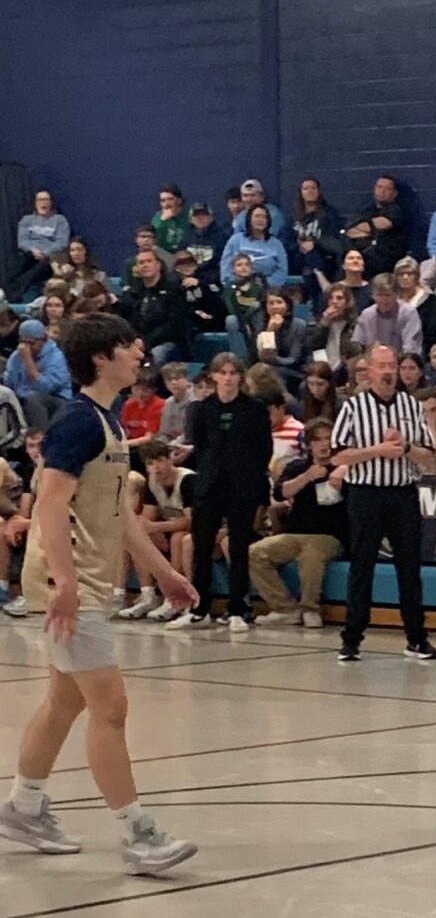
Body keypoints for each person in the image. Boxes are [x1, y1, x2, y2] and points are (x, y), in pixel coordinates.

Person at [0, 313, 200, 873]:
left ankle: (23, 806)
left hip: (83, 580)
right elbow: (49, 503)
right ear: (100, 359)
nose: (139, 351)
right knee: (110, 706)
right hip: (70, 584)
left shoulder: (108, 425)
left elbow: (119, 518)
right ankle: (138, 833)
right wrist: (64, 583)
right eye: (125, 346)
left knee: (65, 701)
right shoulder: (77, 424)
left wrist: (164, 573)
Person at [330, 343, 436, 662]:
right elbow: (337, 454)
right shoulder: (353, 407)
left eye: (392, 364)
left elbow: (430, 457)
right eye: (382, 365)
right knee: (362, 566)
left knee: (409, 567)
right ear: (370, 370)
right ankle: (351, 639)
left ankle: (417, 638)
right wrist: (377, 451)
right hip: (366, 494)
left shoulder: (411, 405)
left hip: (403, 494)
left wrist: (405, 447)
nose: (389, 371)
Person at [167, 352, 271, 632]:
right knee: (201, 546)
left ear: (240, 377)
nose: (227, 378)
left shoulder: (254, 409)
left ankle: (238, 608)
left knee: (238, 546)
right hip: (210, 485)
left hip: (241, 486)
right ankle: (199, 608)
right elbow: (199, 448)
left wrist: (248, 476)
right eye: (222, 373)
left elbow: (264, 449)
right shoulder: (200, 409)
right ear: (213, 376)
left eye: (233, 373)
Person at [250, 417, 349, 629]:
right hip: (296, 532)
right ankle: (284, 607)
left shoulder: (345, 467)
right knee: (255, 553)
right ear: (309, 444)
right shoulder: (297, 467)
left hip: (330, 535)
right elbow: (279, 493)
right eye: (318, 439)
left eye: (328, 438)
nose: (324, 444)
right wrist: (307, 477)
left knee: (311, 553)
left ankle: (310, 608)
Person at [116, 440, 195, 621]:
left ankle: (175, 598)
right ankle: (147, 595)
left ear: (170, 460)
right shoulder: (153, 482)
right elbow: (147, 517)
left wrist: (157, 527)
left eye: (160, 461)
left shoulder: (188, 480)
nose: (156, 467)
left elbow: (192, 521)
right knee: (135, 537)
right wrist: (153, 530)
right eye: (150, 464)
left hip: (197, 530)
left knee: (178, 538)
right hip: (171, 526)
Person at [5, 319, 72, 429]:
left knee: (34, 398)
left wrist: (28, 361)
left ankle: (40, 439)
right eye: (23, 342)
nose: (26, 347)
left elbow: (47, 387)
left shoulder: (56, 357)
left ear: (44, 339)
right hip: (22, 397)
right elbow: (10, 383)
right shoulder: (17, 355)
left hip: (55, 400)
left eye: (31, 343)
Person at [341, 174, 408, 276]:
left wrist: (366, 228)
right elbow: (349, 231)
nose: (382, 191)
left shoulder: (396, 210)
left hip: (386, 262)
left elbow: (383, 224)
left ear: (394, 193)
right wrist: (370, 228)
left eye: (387, 188)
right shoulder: (367, 210)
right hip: (364, 259)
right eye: (379, 187)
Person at [12, 189, 71, 302]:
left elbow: (61, 242)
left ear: (51, 203)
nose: (43, 202)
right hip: (30, 255)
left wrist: (45, 252)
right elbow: (22, 241)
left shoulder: (60, 220)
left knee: (41, 267)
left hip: (51, 257)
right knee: (22, 260)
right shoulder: (26, 220)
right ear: (35, 203)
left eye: (46, 199)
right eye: (40, 199)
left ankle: (16, 293)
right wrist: (34, 250)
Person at [353, 273, 423, 356]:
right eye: (379, 295)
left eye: (387, 295)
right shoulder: (366, 315)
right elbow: (357, 345)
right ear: (373, 295)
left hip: (400, 364)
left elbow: (411, 349)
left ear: (397, 294)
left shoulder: (408, 313)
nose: (383, 300)